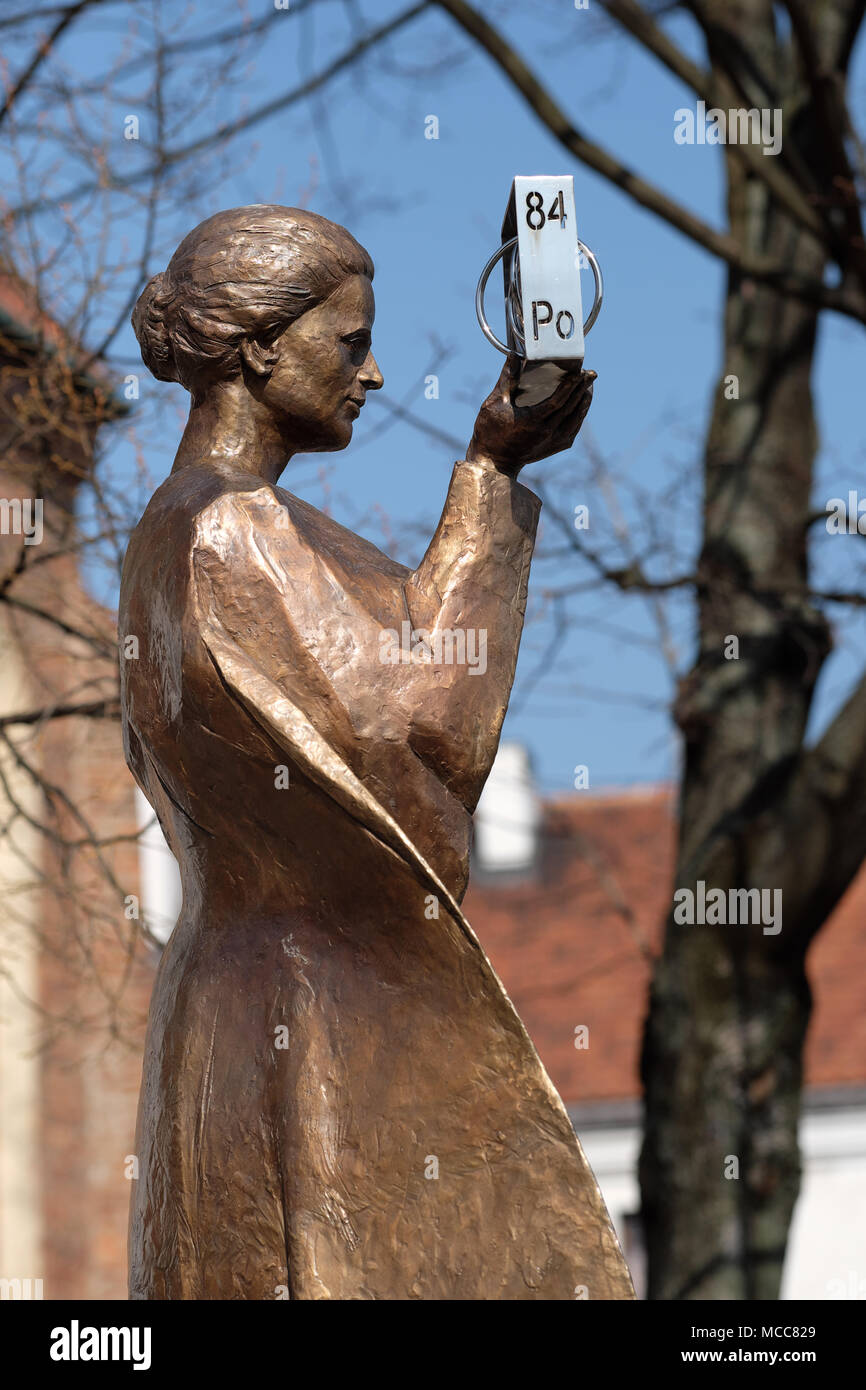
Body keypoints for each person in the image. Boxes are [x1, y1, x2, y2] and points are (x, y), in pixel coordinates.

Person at [121, 204, 633, 1300]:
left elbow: (400, 677)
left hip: (259, 994)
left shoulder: (211, 527)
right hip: (310, 1011)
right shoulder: (227, 530)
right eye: (346, 344)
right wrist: (489, 474)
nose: (375, 373)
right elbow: (420, 734)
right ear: (260, 348)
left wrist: (493, 462)